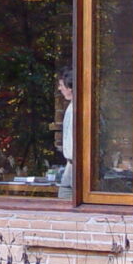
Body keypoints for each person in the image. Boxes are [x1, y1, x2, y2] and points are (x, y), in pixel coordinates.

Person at [56, 68, 75, 201]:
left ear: (70, 88)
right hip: (71, 165)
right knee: (64, 194)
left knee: (65, 195)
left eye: (62, 85)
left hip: (78, 165)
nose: (59, 88)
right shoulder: (71, 106)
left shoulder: (80, 108)